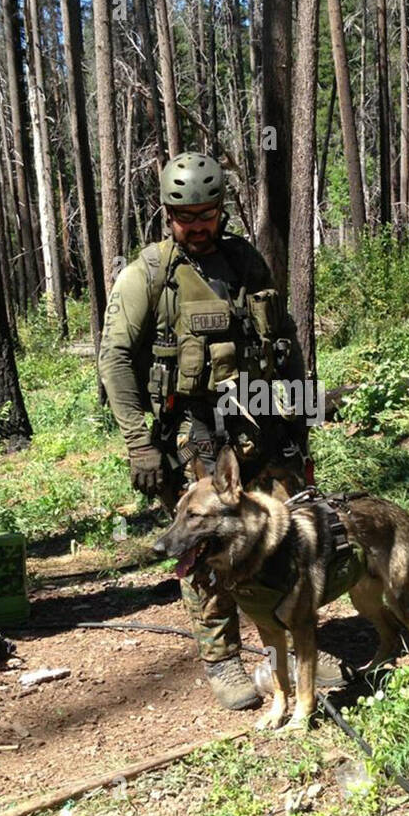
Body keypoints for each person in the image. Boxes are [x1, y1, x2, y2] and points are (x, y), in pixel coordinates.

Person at [98, 152, 312, 710]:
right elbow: (115, 357)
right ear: (166, 214)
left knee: (282, 534)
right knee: (205, 544)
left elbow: (284, 341)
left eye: (206, 213)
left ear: (222, 209)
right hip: (190, 427)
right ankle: (222, 659)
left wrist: (299, 420)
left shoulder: (244, 261)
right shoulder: (147, 274)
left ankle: (288, 647)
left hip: (258, 419)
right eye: (183, 215)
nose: (196, 224)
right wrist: (138, 442)